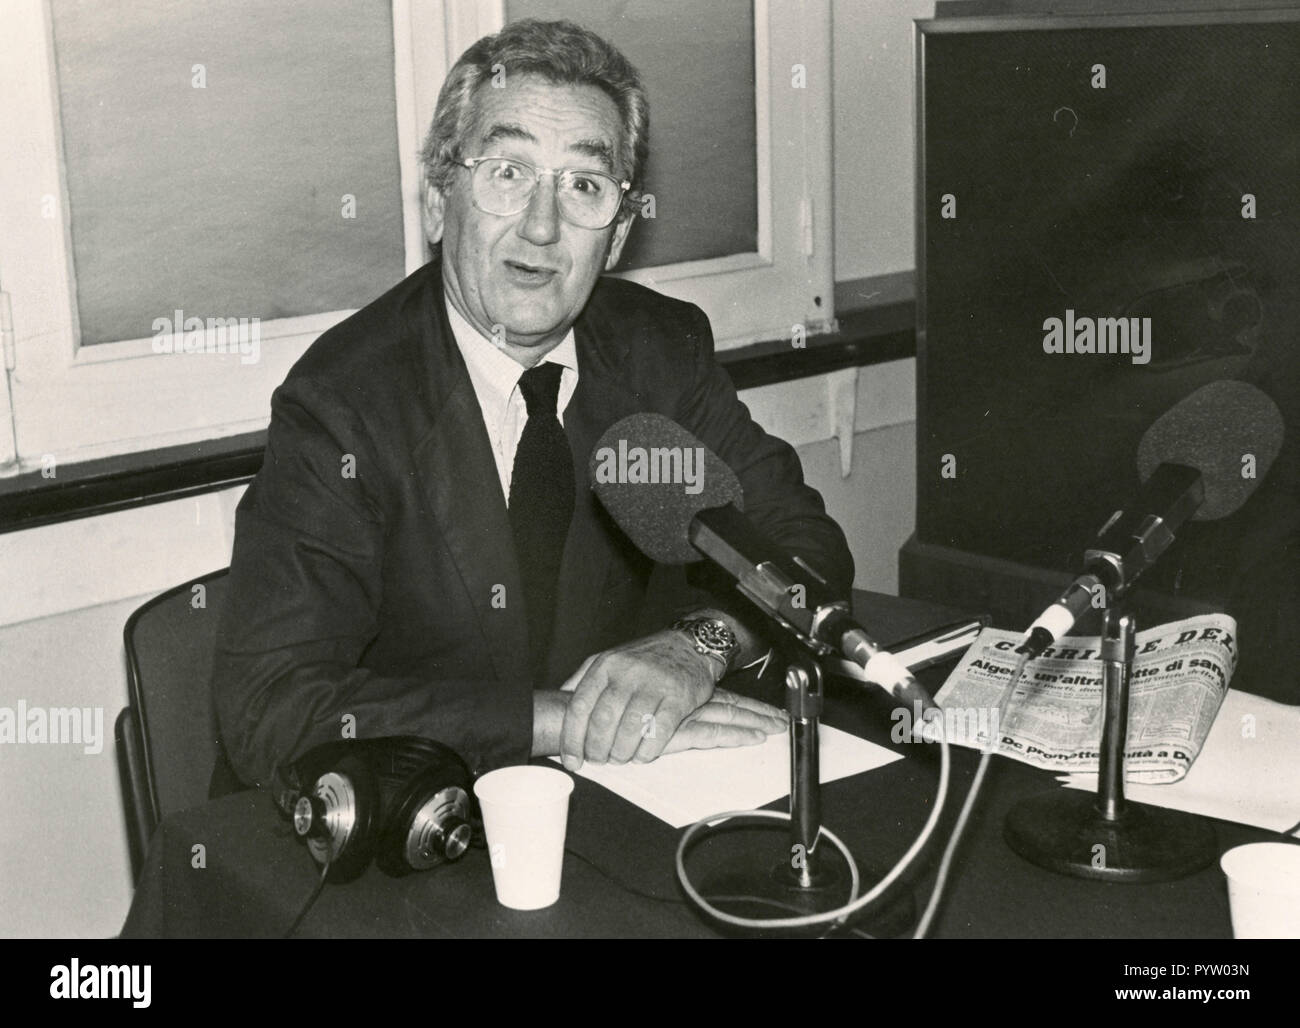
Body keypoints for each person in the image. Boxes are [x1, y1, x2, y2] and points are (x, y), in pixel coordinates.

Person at [210, 19, 854, 791]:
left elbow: (802, 543)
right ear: (441, 200)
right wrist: (559, 719)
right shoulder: (346, 404)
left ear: (616, 237)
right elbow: (272, 708)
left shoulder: (657, 350)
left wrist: (698, 647)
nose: (543, 227)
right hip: (411, 821)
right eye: (508, 173)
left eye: (585, 185)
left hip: (620, 802)